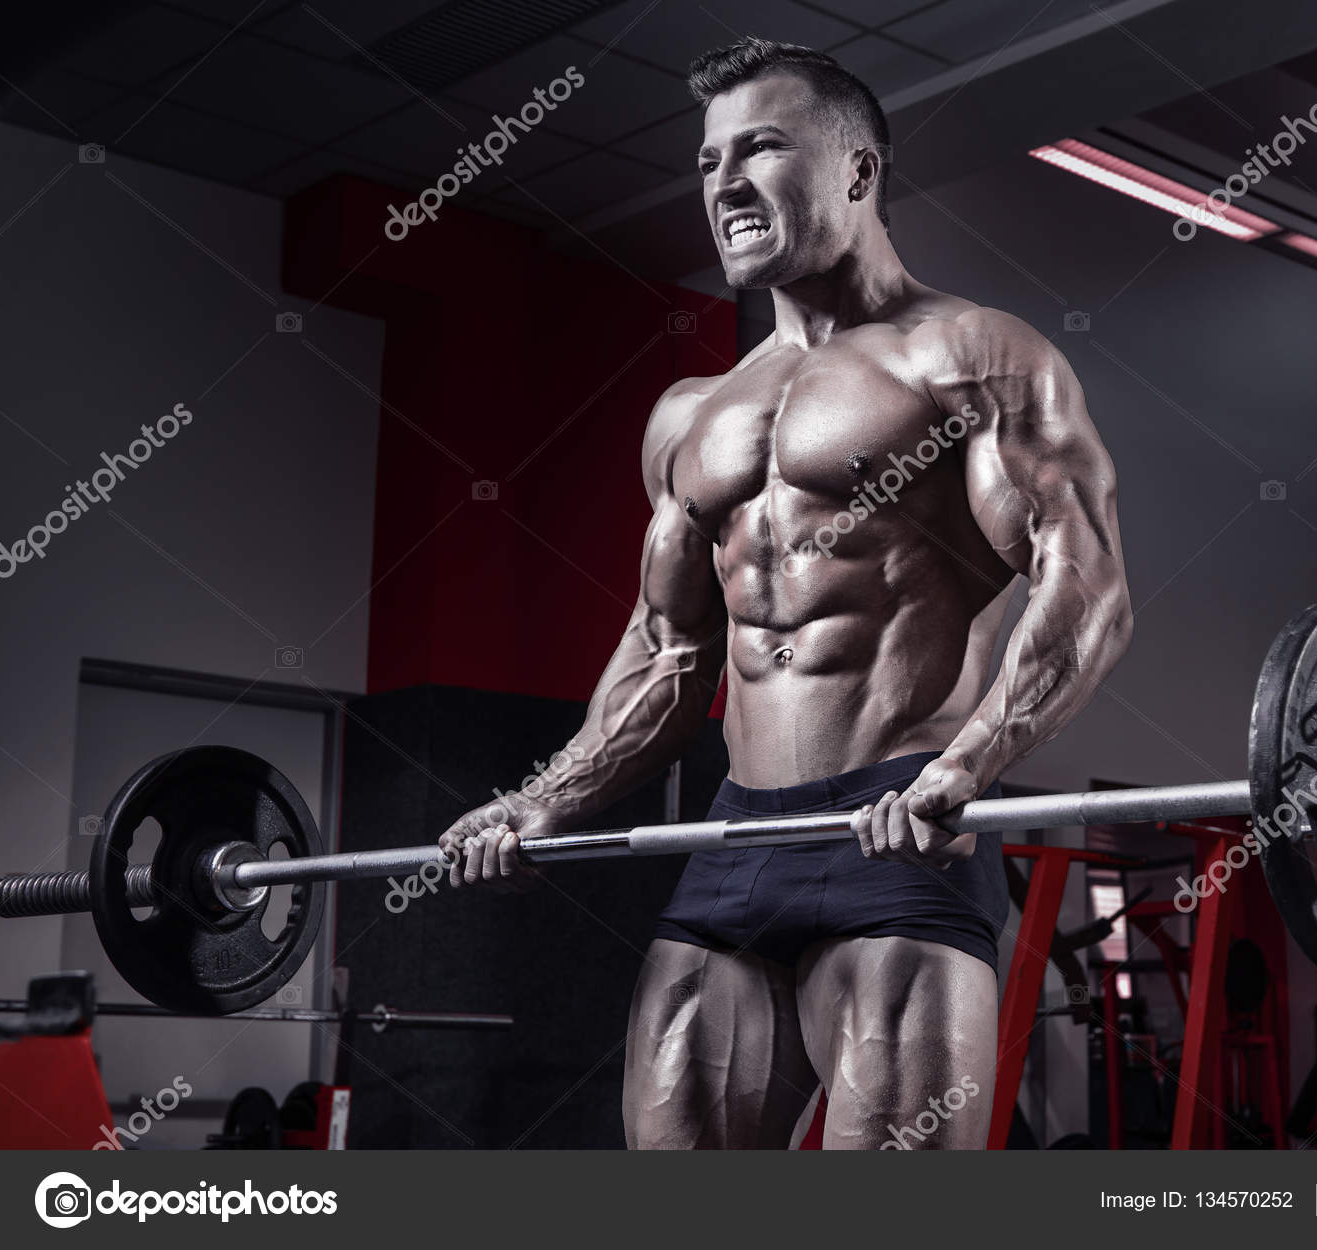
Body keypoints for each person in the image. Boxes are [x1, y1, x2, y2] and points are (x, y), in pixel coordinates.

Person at [440, 37, 1132, 1149]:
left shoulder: (971, 358)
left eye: (758, 147)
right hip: (733, 842)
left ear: (858, 171)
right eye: (708, 159)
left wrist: (971, 762)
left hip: (899, 828)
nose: (721, 183)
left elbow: (1084, 581)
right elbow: (668, 651)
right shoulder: (691, 416)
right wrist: (546, 798)